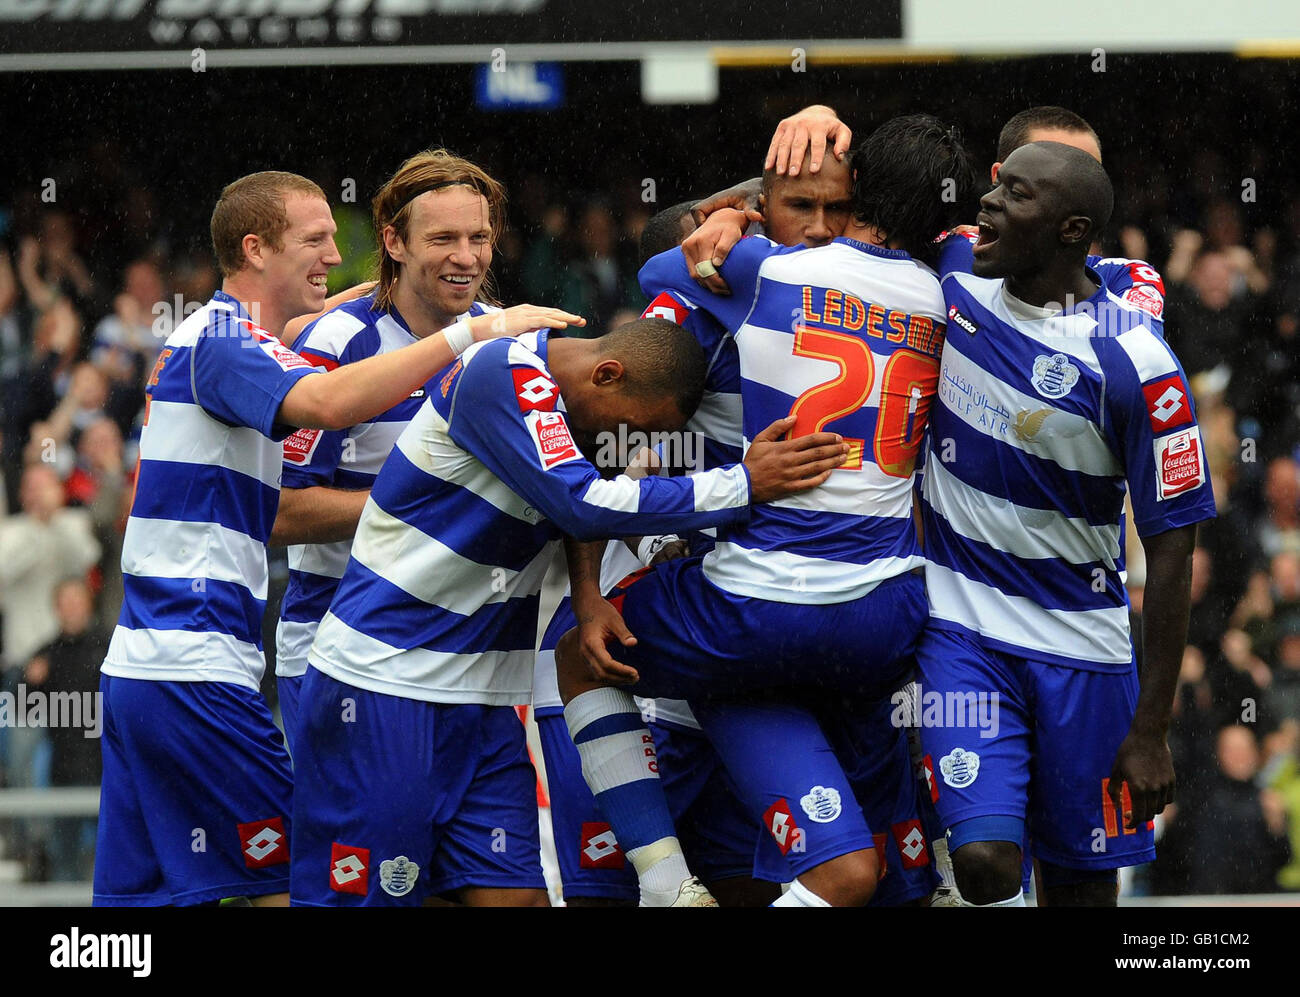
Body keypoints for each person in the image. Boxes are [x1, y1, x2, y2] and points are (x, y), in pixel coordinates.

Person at [93, 169, 579, 908]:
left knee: (128, 917)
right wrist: (470, 332)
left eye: (476, 237)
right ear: (256, 249)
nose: (333, 254)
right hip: (199, 665)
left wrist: (412, 302)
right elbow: (323, 400)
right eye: (316, 239)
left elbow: (290, 343)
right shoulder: (226, 342)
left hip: (147, 668)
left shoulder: (224, 335)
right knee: (300, 887)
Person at [556, 114, 974, 907]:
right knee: (851, 867)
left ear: (862, 202)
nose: (817, 226)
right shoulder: (941, 290)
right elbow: (613, 439)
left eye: (835, 207)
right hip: (871, 616)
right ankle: (956, 855)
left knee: (581, 647)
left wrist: (721, 223)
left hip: (752, 614)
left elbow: (662, 263)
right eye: (799, 206)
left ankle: (665, 885)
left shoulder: (761, 274)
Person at [290, 317, 846, 907]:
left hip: (486, 696)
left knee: (517, 899)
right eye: (639, 428)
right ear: (607, 374)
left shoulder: (574, 404)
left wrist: (587, 595)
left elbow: (587, 491)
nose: (636, 445)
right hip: (385, 681)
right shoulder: (499, 372)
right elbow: (580, 501)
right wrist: (742, 484)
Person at [918, 141, 1216, 906]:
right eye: (994, 186)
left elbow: (1174, 551)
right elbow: (862, 194)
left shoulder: (1137, 361)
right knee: (984, 860)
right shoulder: (954, 272)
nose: (986, 205)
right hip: (964, 632)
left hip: (1085, 655)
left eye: (1015, 195)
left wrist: (1150, 727)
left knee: (1083, 892)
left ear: (1071, 229)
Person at [271, 149, 508, 753]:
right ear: (394, 242)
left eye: (479, 236)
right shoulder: (339, 340)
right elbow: (280, 512)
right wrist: (420, 500)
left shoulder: (509, 339)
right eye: (444, 237)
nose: (467, 256)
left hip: (478, 666)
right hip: (343, 659)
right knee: (367, 851)